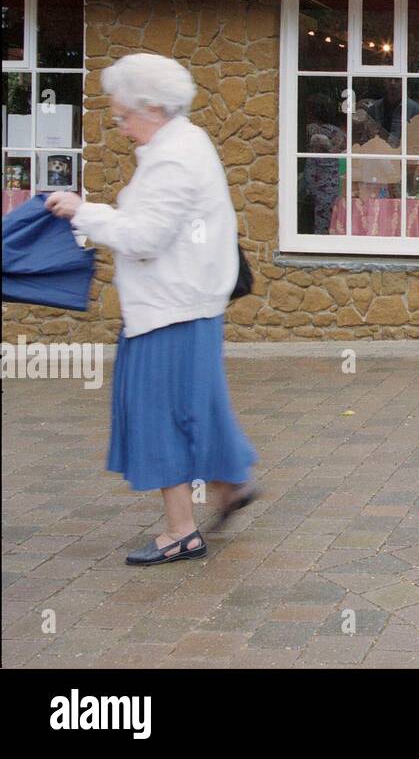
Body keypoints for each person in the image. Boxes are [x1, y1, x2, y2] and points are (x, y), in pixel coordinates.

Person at [43, 53, 258, 567]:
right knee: (197, 405)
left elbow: (144, 237)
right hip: (188, 303)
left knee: (157, 417)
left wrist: (83, 210)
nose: (119, 127)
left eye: (123, 116)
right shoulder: (186, 140)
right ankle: (230, 486)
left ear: (154, 107)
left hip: (168, 309)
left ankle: (181, 533)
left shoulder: (171, 157)